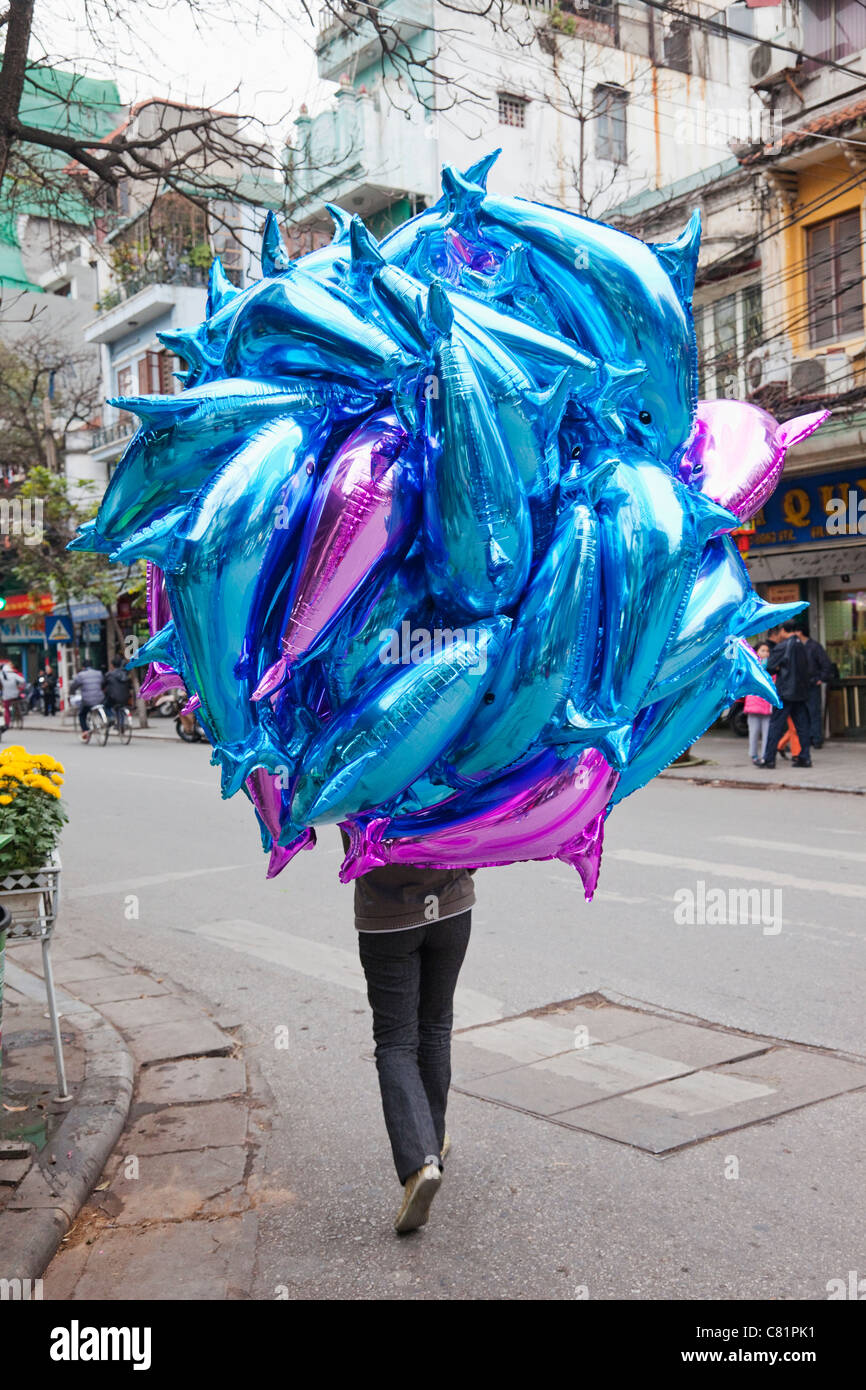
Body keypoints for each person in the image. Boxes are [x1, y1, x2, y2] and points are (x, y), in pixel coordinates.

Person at [340, 827, 475, 1234]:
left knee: (396, 1041)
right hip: (451, 907)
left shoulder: (351, 764)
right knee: (435, 1027)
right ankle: (431, 1139)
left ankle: (421, 1162)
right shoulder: (445, 761)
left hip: (387, 917)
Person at [761, 619, 812, 769]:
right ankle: (805, 757)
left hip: (785, 692)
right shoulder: (803, 646)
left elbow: (769, 667)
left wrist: (778, 669)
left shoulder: (782, 647)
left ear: (784, 631)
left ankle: (769, 759)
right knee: (802, 726)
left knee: (776, 725)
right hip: (801, 692)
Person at [792, 618, 834, 749]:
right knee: (801, 714)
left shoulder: (814, 646)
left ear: (800, 632)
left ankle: (816, 739)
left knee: (814, 712)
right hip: (798, 686)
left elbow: (826, 665)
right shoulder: (794, 646)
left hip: (812, 685)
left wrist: (820, 678)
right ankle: (805, 739)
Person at [744, 641, 773, 765]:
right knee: (754, 732)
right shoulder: (751, 665)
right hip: (754, 703)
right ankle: (754, 754)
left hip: (767, 704)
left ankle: (765, 755)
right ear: (756, 652)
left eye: (767, 651)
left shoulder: (773, 666)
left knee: (767, 733)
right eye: (763, 650)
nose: (765, 653)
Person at [69, 663, 105, 739]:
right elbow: (103, 683)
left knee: (81, 714)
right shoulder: (99, 673)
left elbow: (74, 686)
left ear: (83, 667)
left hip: (87, 700)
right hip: (100, 699)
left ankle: (85, 730)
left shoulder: (81, 675)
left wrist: (71, 693)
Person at [0, 653, 25, 737]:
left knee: (6, 708)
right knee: (16, 702)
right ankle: (19, 713)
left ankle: (7, 723)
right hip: (15, 695)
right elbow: (22, 681)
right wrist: (19, 688)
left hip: (6, 697)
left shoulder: (1, 675)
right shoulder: (14, 674)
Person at [103, 658, 132, 728]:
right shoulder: (125, 674)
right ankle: (121, 724)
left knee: (106, 706)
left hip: (113, 697)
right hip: (125, 697)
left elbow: (103, 684)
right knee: (120, 707)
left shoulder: (109, 674)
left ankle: (111, 717)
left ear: (112, 665)